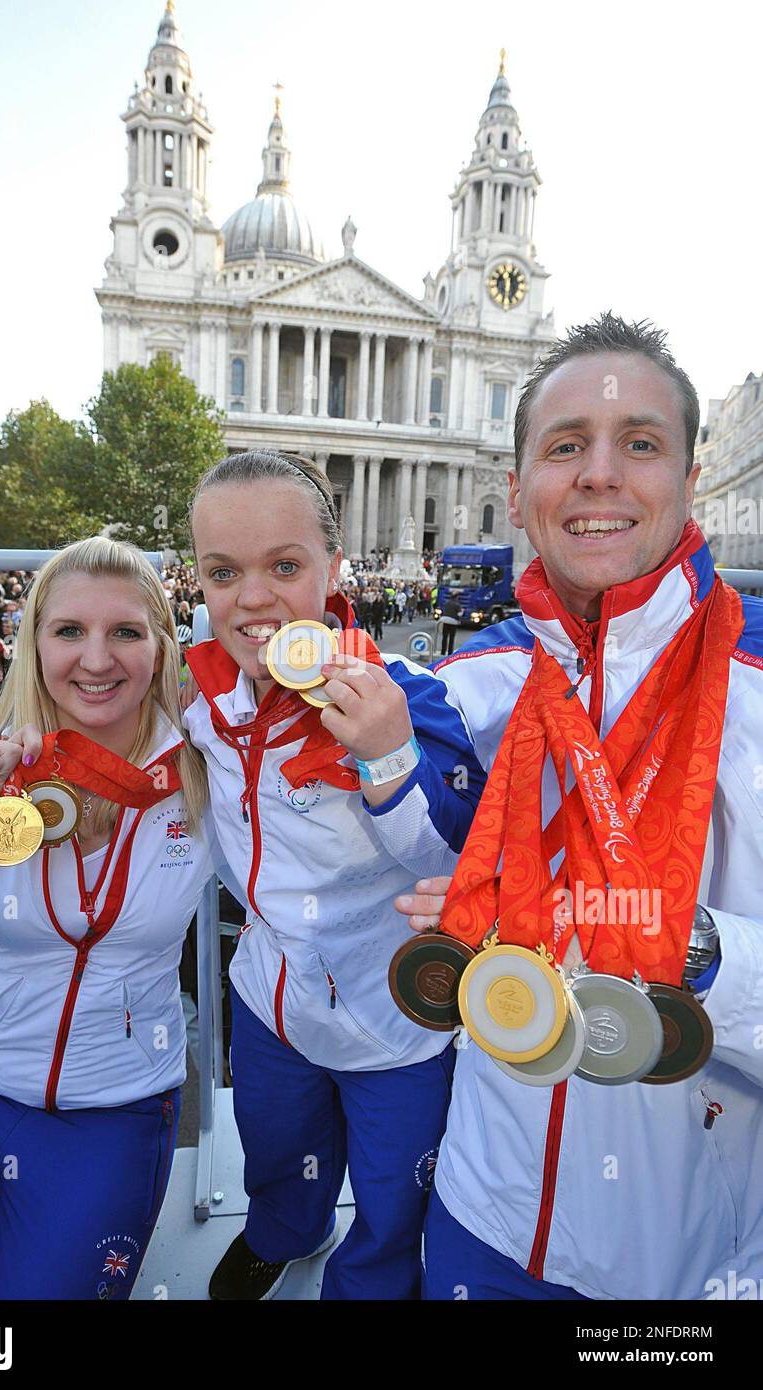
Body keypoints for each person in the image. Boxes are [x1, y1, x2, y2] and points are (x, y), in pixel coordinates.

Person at [395, 312, 763, 1300]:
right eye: (565, 447)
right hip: (483, 1208)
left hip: (680, 1256)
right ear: (516, 495)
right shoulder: (471, 679)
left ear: (689, 484)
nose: (598, 473)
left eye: (637, 443)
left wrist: (680, 947)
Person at [0, 537, 215, 1300]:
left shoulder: (211, 770)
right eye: (68, 631)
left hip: (111, 1112)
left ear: (161, 647)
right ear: (33, 642)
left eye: (125, 631)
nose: (96, 659)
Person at [185, 450, 485, 1301]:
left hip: (399, 1012)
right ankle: (284, 1233)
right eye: (222, 571)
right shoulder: (197, 692)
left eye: (285, 566)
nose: (251, 598)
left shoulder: (410, 695)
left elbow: (461, 871)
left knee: (395, 1192)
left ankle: (370, 1285)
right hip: (271, 996)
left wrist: (389, 756)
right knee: (277, 1149)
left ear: (334, 569)